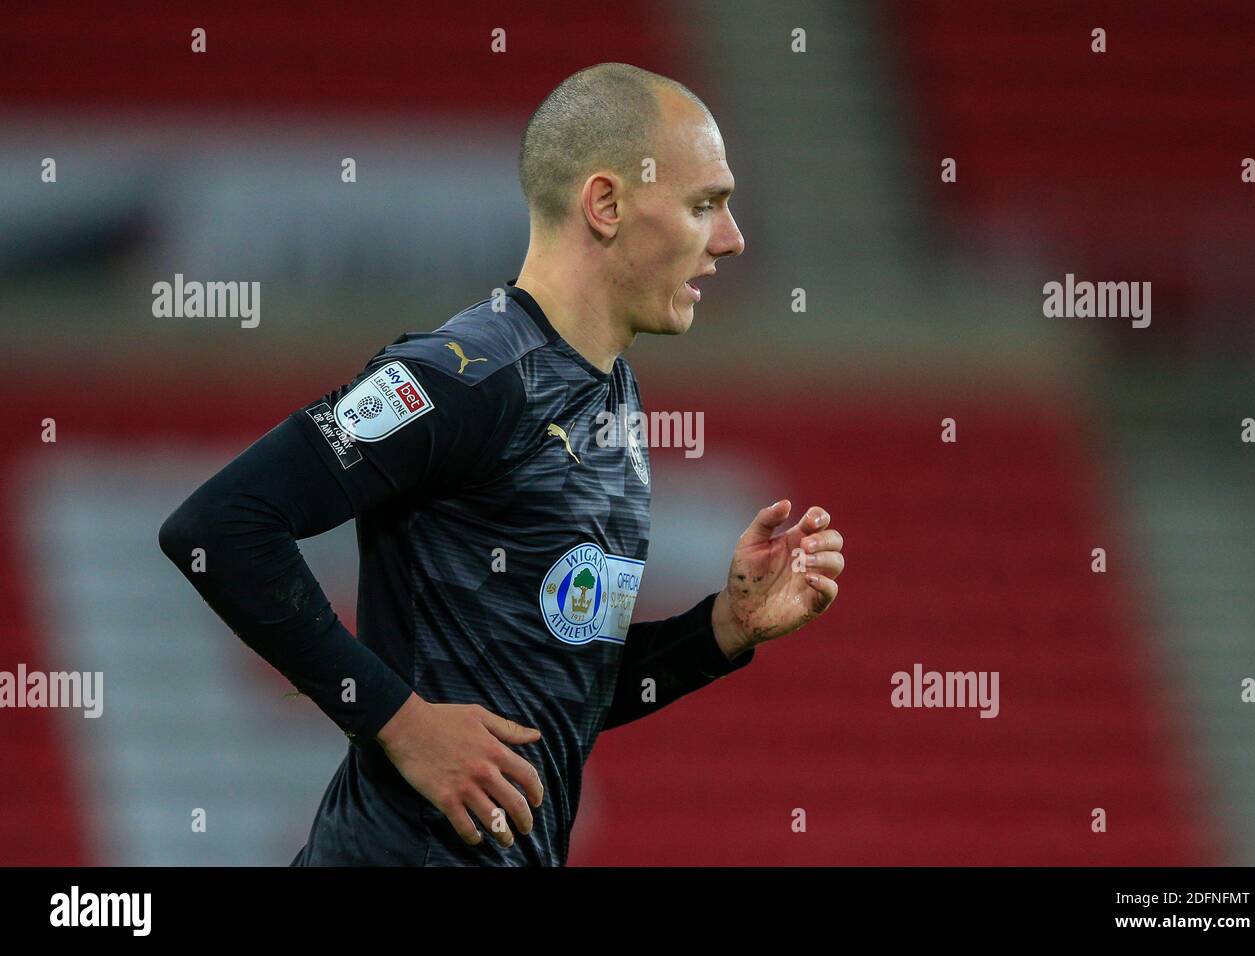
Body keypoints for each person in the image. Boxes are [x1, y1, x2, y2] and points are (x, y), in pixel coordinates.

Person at [159, 62, 845, 866]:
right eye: (705, 206)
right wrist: (399, 721)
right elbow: (219, 525)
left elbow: (550, 694)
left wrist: (720, 631)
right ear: (607, 205)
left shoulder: (610, 395)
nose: (730, 239)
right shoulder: (467, 373)